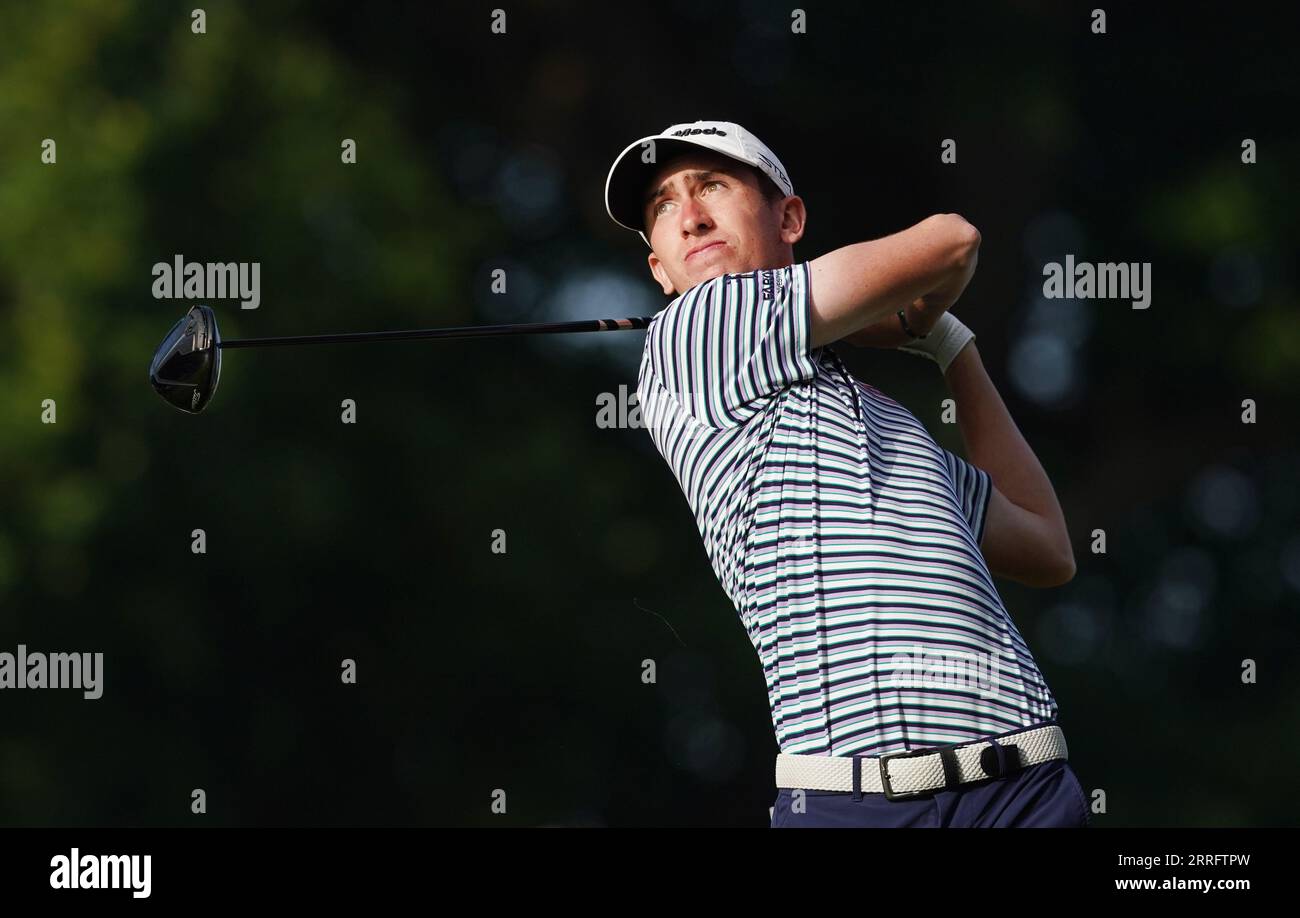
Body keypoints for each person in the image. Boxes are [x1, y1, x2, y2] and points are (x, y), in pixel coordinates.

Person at [604, 120, 1090, 827]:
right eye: (663, 206)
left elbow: (1048, 549)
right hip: (855, 804)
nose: (692, 216)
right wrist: (916, 315)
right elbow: (952, 239)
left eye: (712, 185)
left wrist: (951, 345)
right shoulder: (697, 329)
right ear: (659, 271)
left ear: (790, 217)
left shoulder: (894, 430)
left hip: (1026, 791)